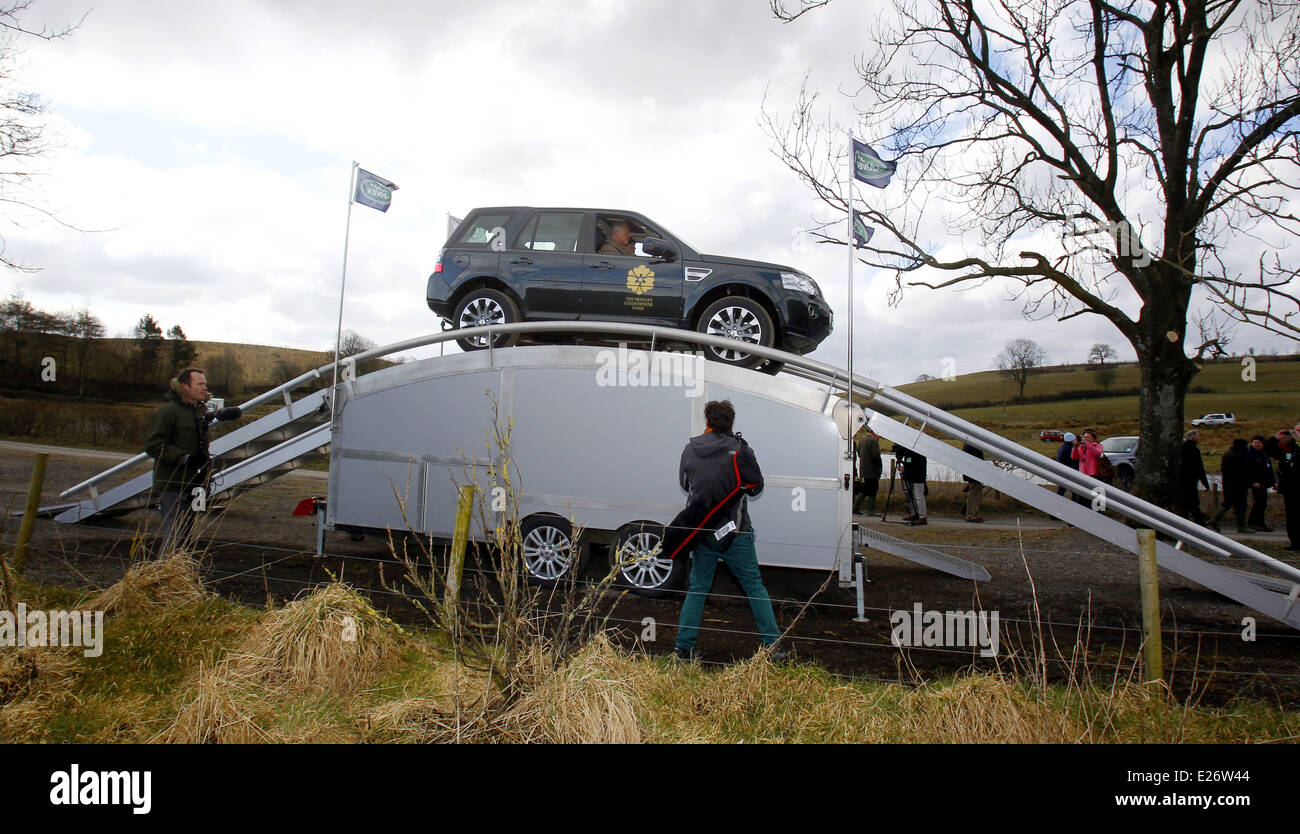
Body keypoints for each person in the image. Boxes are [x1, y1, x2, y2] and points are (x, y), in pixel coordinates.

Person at [671, 400, 784, 661]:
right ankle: (773, 647)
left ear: (707, 421)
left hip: (701, 530)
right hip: (737, 531)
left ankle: (683, 649)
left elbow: (685, 484)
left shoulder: (691, 448)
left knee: (698, 587)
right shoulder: (740, 448)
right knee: (755, 587)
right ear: (731, 422)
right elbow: (756, 487)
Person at [145, 367, 211, 551]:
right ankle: (165, 573)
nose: (204, 387)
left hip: (196, 484)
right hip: (172, 484)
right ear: (185, 387)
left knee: (187, 536)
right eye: (199, 384)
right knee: (173, 535)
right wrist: (185, 459)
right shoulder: (168, 411)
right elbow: (153, 445)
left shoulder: (200, 411)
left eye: (205, 383)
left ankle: (180, 573)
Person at [1209, 439, 1249, 533]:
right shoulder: (1241, 456)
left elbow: (1223, 469)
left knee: (1227, 503)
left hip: (1227, 482)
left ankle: (1214, 519)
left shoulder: (1227, 454)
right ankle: (1241, 526)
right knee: (1241, 505)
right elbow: (1244, 471)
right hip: (1239, 483)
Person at [1179, 430, 1210, 525]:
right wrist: (1205, 482)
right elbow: (1199, 467)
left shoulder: (1181, 448)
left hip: (1181, 479)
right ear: (1193, 438)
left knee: (1184, 503)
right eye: (1198, 436)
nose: (1199, 438)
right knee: (1193, 503)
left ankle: (1183, 521)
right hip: (1191, 480)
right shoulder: (1194, 450)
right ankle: (1200, 523)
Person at [1246, 435, 1276, 532]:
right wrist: (1253, 481)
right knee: (1259, 503)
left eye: (1258, 442)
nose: (1256, 444)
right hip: (1256, 483)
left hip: (1264, 482)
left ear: (1263, 444)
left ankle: (1260, 523)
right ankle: (1253, 522)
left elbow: (1269, 469)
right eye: (1254, 442)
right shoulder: (1250, 454)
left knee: (1262, 503)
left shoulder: (1264, 454)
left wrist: (1273, 481)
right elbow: (1249, 470)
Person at [853, 427, 883, 515]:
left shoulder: (862, 440)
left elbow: (858, 453)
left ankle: (855, 507)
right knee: (873, 490)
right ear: (874, 433)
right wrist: (879, 468)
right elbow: (876, 456)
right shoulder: (873, 441)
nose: (879, 437)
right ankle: (871, 510)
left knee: (865, 490)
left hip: (863, 470)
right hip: (872, 471)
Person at [897, 446, 928, 525]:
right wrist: (905, 465)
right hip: (913, 474)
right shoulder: (912, 450)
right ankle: (917, 514)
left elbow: (911, 459)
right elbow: (909, 459)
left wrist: (905, 466)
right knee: (914, 496)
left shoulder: (917, 450)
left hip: (918, 475)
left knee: (918, 496)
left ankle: (922, 516)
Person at [961, 441, 985, 522]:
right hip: (974, 473)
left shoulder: (969, 444)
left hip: (972, 472)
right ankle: (970, 515)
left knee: (976, 494)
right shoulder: (973, 445)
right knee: (974, 494)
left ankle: (973, 513)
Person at [1055, 432, 1080, 500]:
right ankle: (1074, 499)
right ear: (1071, 440)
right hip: (1067, 470)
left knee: (1063, 486)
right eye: (1074, 439)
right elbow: (1073, 460)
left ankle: (1058, 498)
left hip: (1062, 469)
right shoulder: (1069, 449)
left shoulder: (1062, 447)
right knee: (1070, 486)